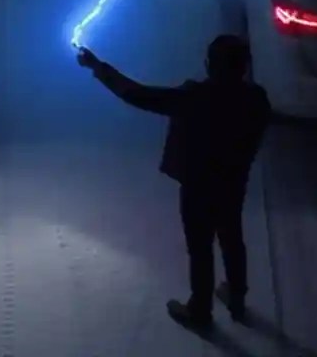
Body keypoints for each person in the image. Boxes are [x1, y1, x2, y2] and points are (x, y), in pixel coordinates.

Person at [75, 35, 272, 331]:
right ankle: (236, 297)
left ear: (209, 64)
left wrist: (97, 66)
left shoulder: (193, 98)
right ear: (244, 66)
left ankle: (200, 311)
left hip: (197, 184)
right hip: (233, 180)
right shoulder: (256, 99)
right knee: (232, 236)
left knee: (201, 247)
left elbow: (135, 94)